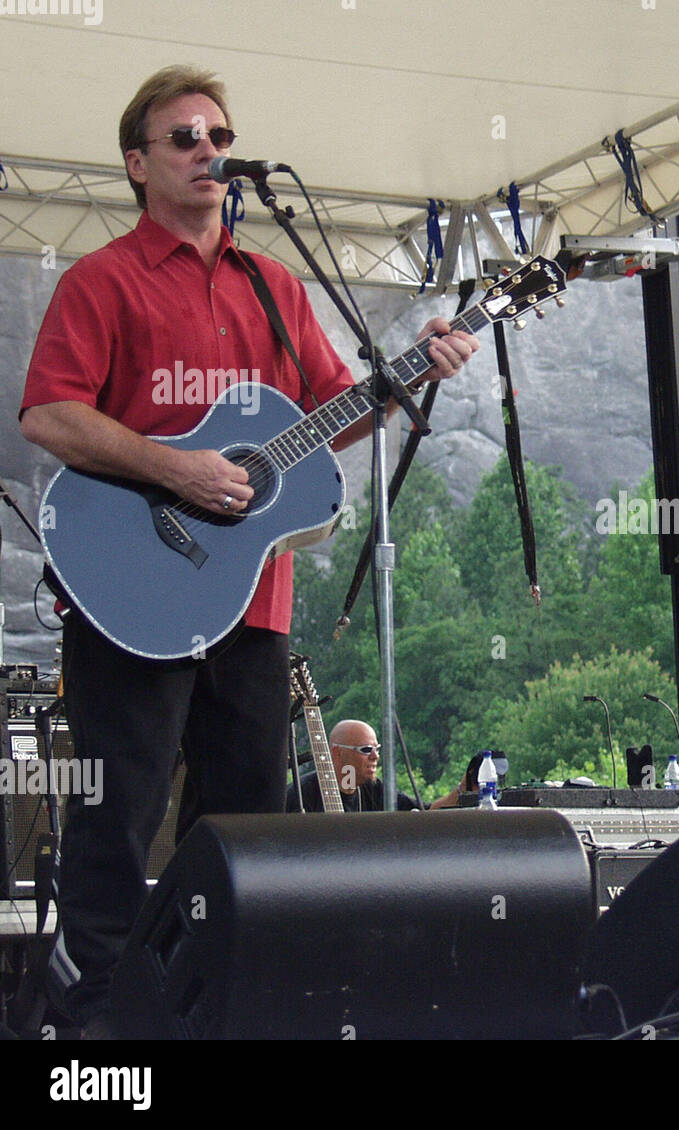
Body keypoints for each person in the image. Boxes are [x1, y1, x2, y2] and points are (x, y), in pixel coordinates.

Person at [18, 65, 478, 1033]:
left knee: (243, 819)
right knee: (119, 808)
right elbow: (51, 414)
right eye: (184, 138)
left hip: (250, 596)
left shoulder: (274, 285)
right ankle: (82, 1013)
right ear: (138, 164)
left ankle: (209, 996)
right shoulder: (104, 280)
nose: (208, 152)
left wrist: (411, 374)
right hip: (132, 585)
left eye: (219, 135)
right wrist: (176, 468)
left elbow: (328, 419)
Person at [287, 720, 495, 812]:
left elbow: (424, 813)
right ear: (337, 753)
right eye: (366, 750)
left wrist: (462, 790)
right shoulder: (301, 794)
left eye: (377, 749)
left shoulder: (375, 790)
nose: (376, 756)